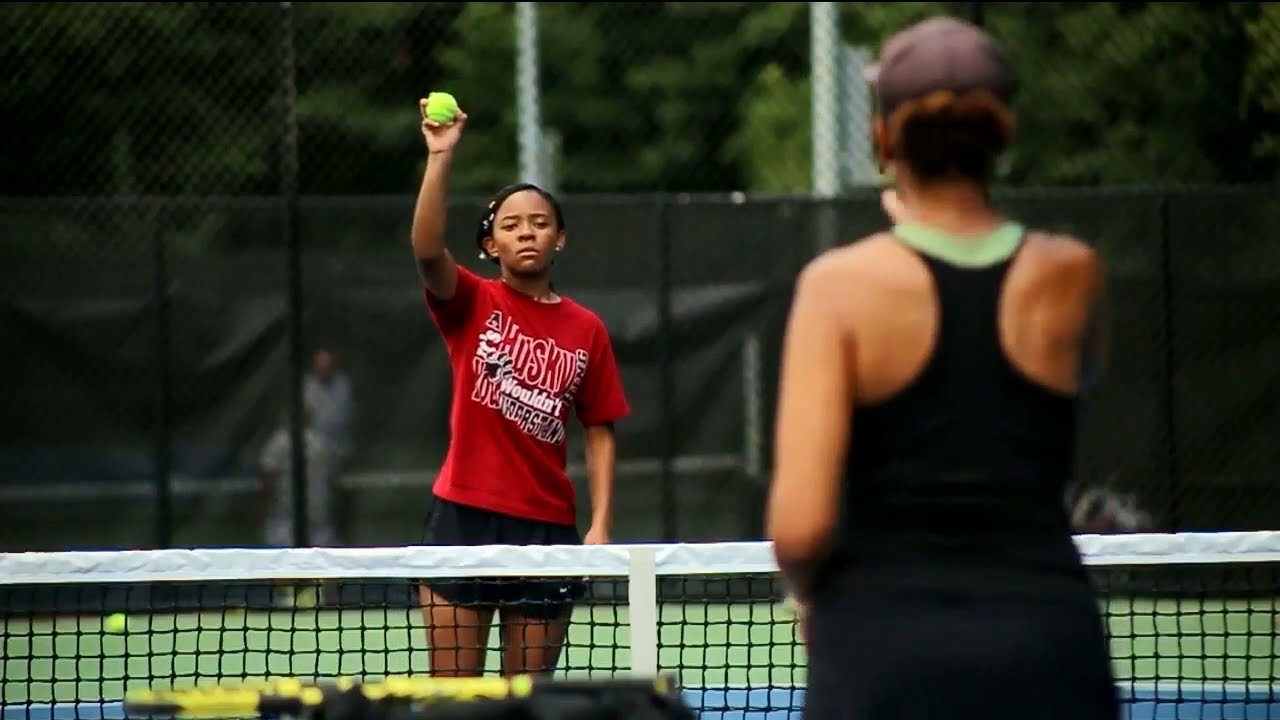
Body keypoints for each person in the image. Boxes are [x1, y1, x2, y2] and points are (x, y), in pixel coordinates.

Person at [764, 16, 1119, 720]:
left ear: (883, 138)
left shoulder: (838, 286)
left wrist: (808, 596)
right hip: (1050, 652)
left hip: (880, 656)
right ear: (1004, 132)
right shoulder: (1076, 274)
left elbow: (800, 529)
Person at [409, 100, 631, 677]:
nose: (526, 232)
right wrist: (441, 156)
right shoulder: (470, 304)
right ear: (491, 246)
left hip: (547, 530)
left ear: (561, 238)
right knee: (453, 703)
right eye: (510, 225)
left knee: (525, 702)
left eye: (539, 222)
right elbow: (428, 250)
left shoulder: (587, 329)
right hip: (462, 519)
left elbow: (600, 429)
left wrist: (601, 523)